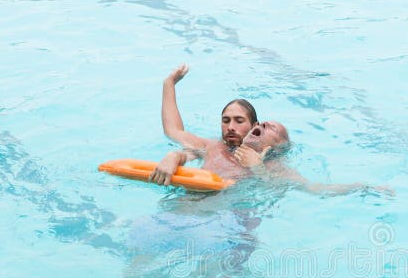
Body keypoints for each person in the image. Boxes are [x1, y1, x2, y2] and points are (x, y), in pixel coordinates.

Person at [150, 64, 392, 196]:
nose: (230, 127)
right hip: (184, 209)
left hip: (229, 223)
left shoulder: (273, 168)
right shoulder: (212, 147)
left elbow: (316, 190)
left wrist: (365, 187)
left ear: (253, 127)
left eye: (238, 120)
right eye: (225, 120)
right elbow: (173, 131)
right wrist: (168, 84)